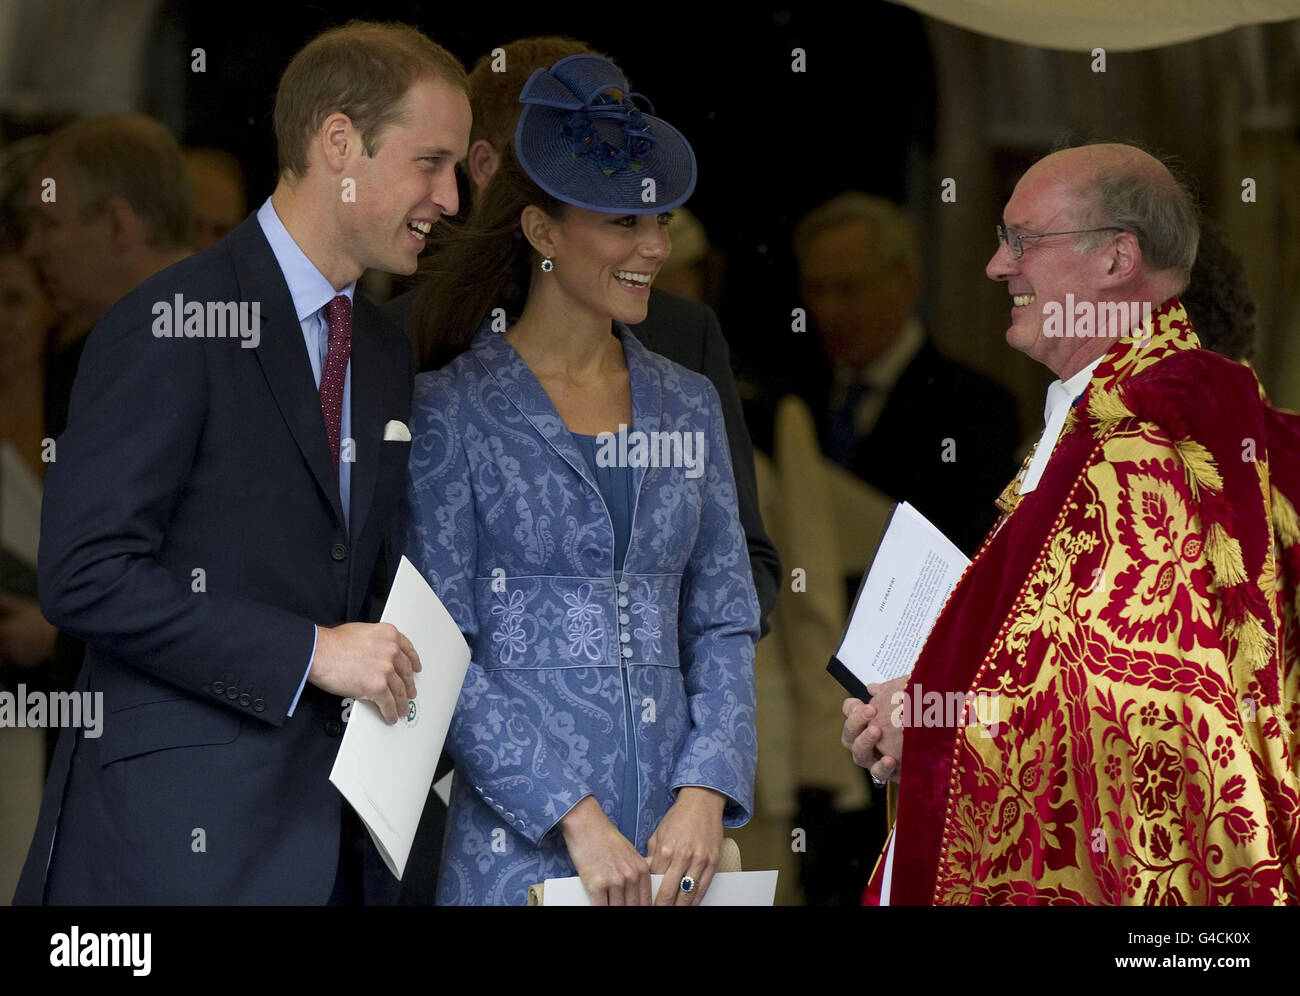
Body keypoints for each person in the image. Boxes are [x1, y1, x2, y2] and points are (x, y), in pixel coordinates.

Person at [14, 20, 470, 905]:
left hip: (346, 846)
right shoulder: (169, 320)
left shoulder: (380, 349)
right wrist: (310, 652)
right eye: (430, 162)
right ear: (339, 142)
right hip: (179, 844)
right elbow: (84, 576)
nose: (451, 198)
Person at [843, 143, 1300, 904]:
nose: (996, 266)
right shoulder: (1101, 414)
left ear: (1118, 257)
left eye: (1023, 240)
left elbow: (1153, 706)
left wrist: (930, 716)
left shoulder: (1156, 422)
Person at [388, 33, 778, 906]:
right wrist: (574, 816)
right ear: (541, 231)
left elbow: (723, 616)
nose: (654, 247)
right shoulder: (451, 410)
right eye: (622, 222)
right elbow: (440, 646)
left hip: (682, 849)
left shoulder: (689, 403)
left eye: (660, 221)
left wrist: (706, 793)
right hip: (516, 847)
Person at [789, 193, 1021, 556]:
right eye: (817, 289)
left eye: (848, 289)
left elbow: (974, 548)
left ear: (905, 284)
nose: (827, 310)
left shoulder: (975, 407)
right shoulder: (795, 390)